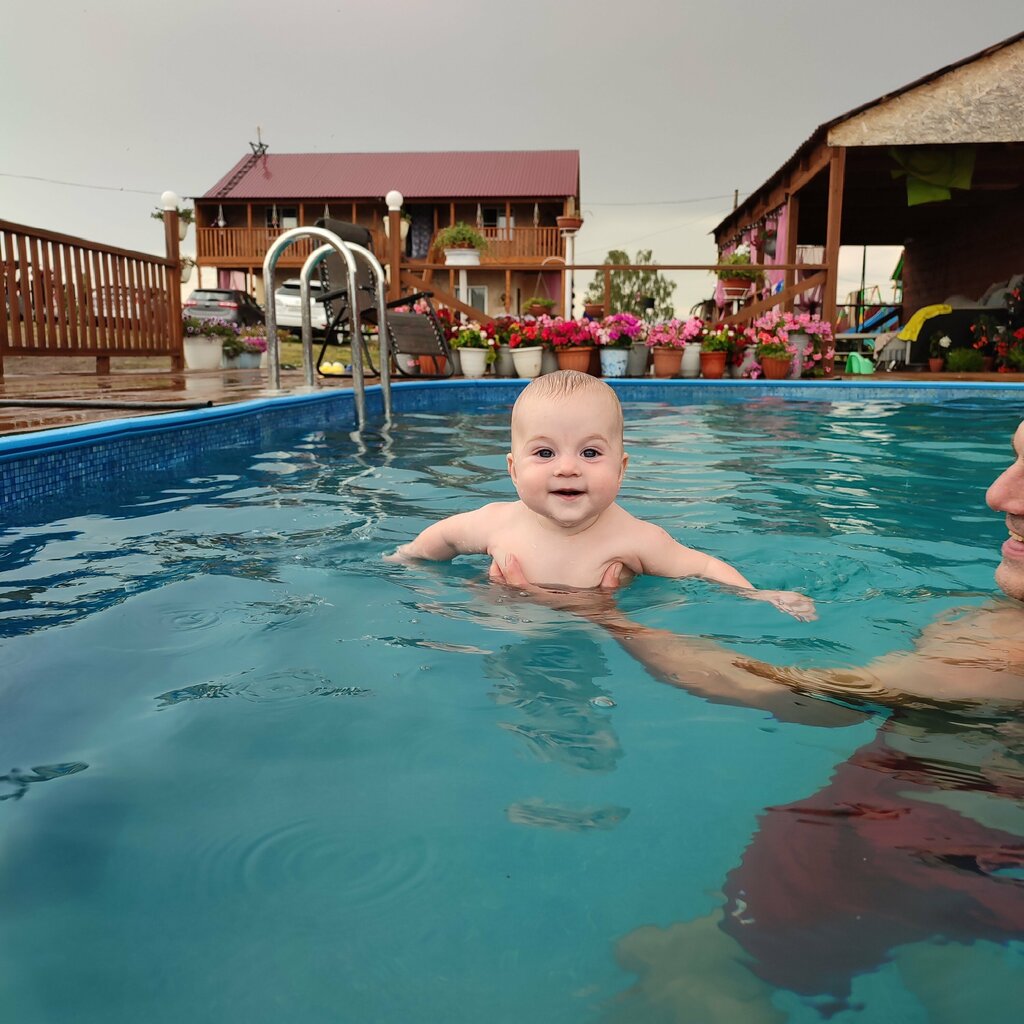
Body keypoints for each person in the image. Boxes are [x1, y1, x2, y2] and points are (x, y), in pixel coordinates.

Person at [387, 370, 816, 621]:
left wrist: (758, 594)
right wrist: (405, 558)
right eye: (544, 452)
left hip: (601, 633)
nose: (568, 466)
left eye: (591, 452)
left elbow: (702, 565)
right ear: (513, 470)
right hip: (507, 629)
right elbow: (440, 539)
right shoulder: (496, 522)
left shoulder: (634, 538)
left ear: (621, 469)